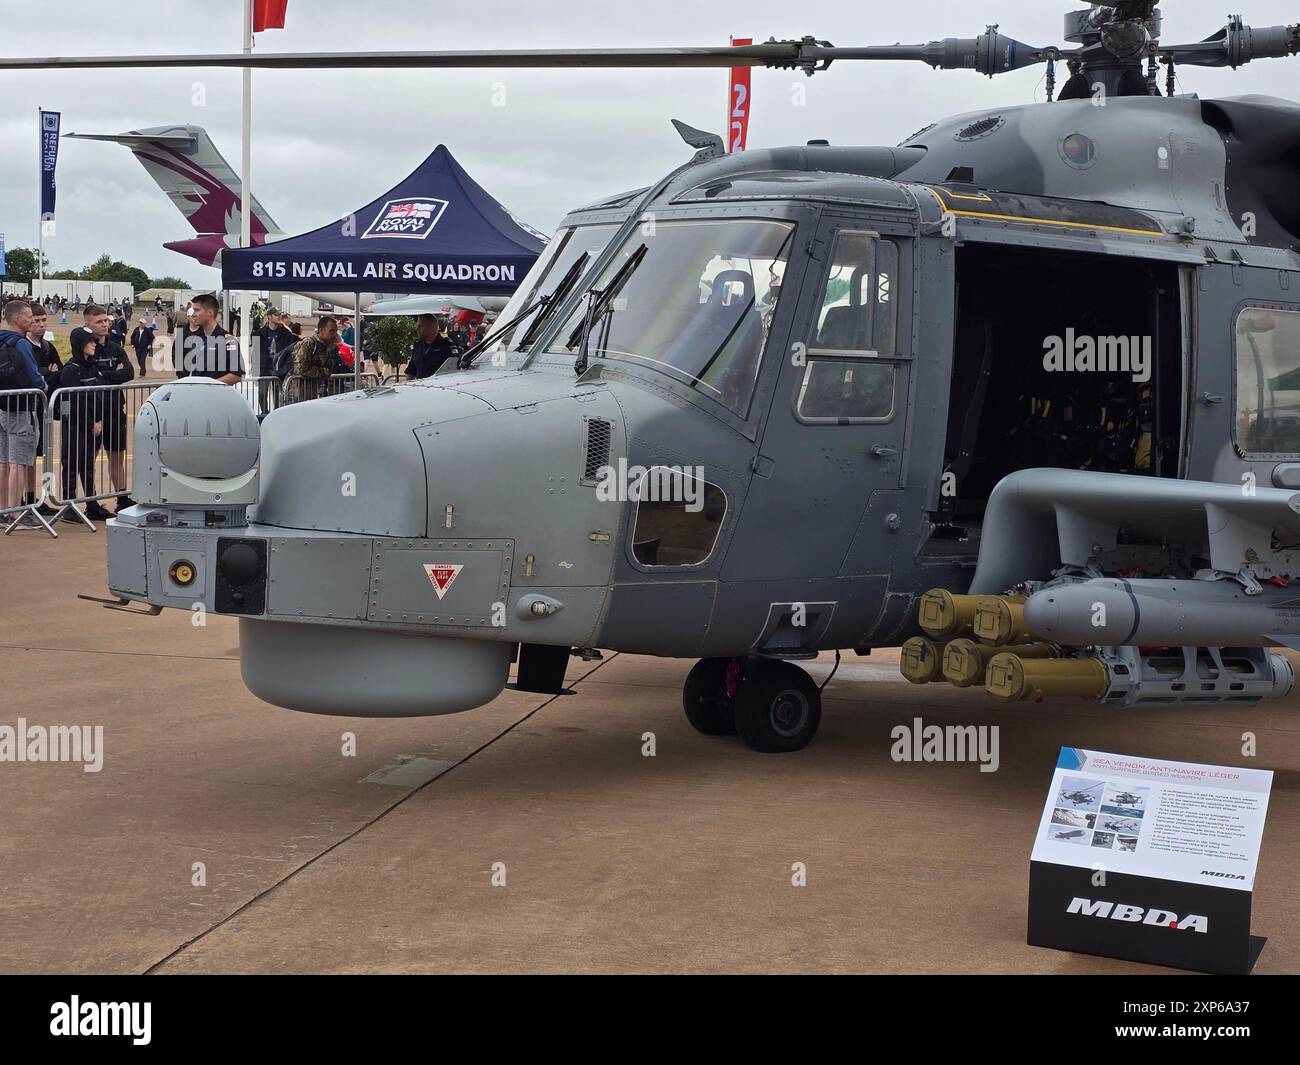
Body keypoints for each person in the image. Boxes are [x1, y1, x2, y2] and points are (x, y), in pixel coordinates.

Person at [57, 328, 114, 522]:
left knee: (89, 466)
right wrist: (90, 423)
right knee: (71, 465)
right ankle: (69, 505)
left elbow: (95, 396)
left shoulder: (91, 366)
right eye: (90, 341)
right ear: (81, 344)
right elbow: (73, 403)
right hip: (75, 425)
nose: (94, 344)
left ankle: (92, 504)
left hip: (91, 424)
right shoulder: (71, 369)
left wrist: (98, 419)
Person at [83, 304, 136, 510]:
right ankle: (91, 501)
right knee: (90, 459)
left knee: (117, 456)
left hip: (115, 410)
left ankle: (121, 499)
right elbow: (90, 376)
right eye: (99, 321)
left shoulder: (115, 347)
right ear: (88, 324)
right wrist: (112, 374)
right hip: (94, 412)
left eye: (106, 320)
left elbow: (129, 373)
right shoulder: (87, 348)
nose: (105, 324)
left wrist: (104, 375)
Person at [0, 300, 44, 522]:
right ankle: (15, 512)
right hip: (20, 407)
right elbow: (34, 376)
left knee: (3, 461)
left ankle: (3, 510)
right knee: (18, 462)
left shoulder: (1, 339)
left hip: (2, 407)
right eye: (29, 316)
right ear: (17, 319)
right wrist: (43, 386)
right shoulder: (22, 343)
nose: (32, 320)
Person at [26, 304, 63, 518]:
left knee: (42, 455)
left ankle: (39, 499)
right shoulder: (22, 346)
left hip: (44, 409)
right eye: (36, 321)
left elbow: (59, 370)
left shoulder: (48, 347)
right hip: (26, 409)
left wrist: (47, 374)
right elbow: (33, 373)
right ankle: (26, 499)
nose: (40, 325)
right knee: (25, 457)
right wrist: (44, 372)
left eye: (43, 321)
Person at [177, 293, 243, 384]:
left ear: (210, 313)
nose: (193, 314)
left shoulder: (228, 341)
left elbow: (236, 375)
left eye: (196, 310)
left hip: (215, 395)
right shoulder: (195, 338)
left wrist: (207, 386)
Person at [290, 316, 342, 399]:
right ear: (321, 331)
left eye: (336, 331)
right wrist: (323, 372)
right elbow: (300, 369)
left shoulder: (328, 346)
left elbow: (331, 367)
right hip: (297, 392)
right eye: (331, 331)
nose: (335, 334)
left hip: (312, 391)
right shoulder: (309, 343)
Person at [404, 314, 457, 379]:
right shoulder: (418, 346)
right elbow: (411, 371)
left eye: (420, 325)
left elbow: (454, 370)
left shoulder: (447, 345)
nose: (417, 328)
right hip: (421, 387)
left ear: (432, 327)